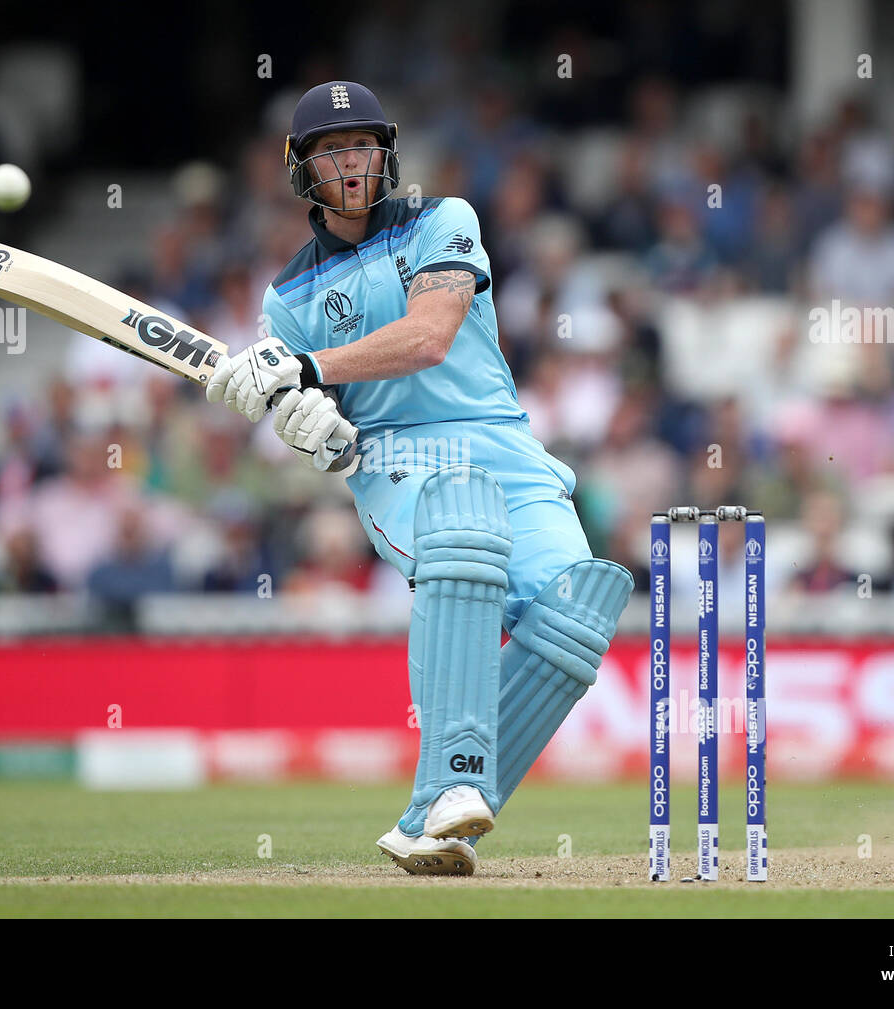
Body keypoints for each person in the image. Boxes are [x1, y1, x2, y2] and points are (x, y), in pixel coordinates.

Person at [206, 82, 632, 876]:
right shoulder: (287, 296)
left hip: (502, 438)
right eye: (333, 149)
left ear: (386, 151)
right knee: (463, 534)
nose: (353, 161)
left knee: (582, 605)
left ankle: (425, 819)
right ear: (302, 167)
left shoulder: (446, 219)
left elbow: (431, 336)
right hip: (398, 455)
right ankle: (457, 786)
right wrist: (313, 429)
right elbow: (321, 426)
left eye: (363, 144)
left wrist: (306, 366)